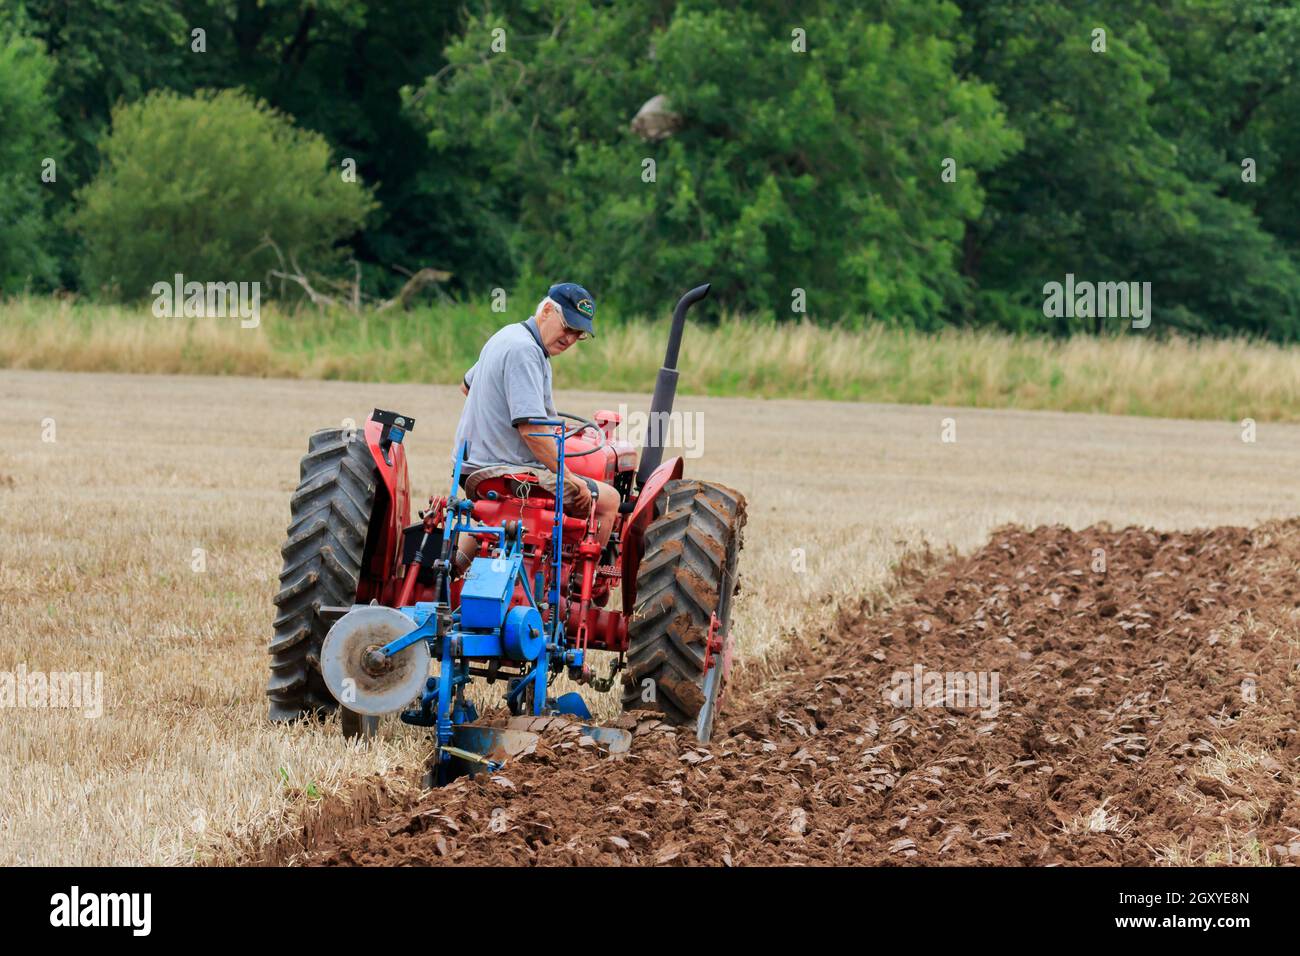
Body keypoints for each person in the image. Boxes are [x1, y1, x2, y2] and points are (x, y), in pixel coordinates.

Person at [451, 282, 620, 570]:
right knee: (608, 500)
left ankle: (453, 569)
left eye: (578, 334)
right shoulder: (526, 351)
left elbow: (467, 386)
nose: (570, 338)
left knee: (495, 514)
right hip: (510, 473)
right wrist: (570, 478)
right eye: (567, 327)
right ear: (545, 311)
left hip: (472, 470)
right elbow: (532, 432)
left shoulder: (507, 335)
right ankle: (581, 589)